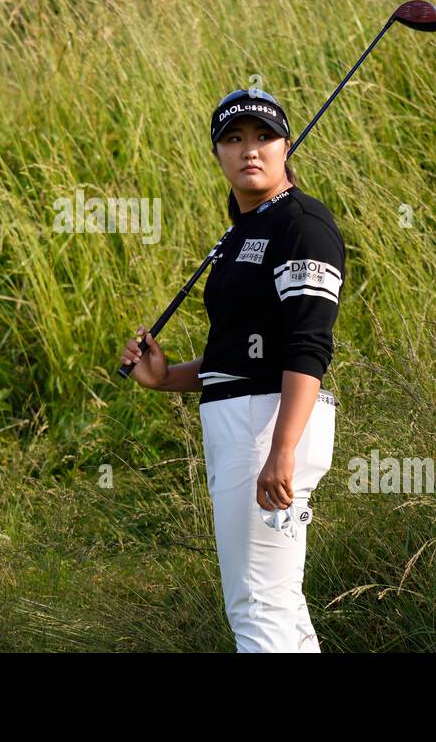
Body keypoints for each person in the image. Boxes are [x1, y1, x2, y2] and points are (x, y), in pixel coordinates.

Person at [120, 88, 345, 652]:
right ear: (217, 153)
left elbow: (307, 346)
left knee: (255, 605)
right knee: (281, 605)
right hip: (248, 418)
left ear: (286, 146)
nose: (250, 149)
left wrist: (282, 450)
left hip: (268, 425)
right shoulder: (242, 231)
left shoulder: (304, 225)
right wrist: (166, 376)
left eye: (264, 136)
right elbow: (241, 352)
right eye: (234, 138)